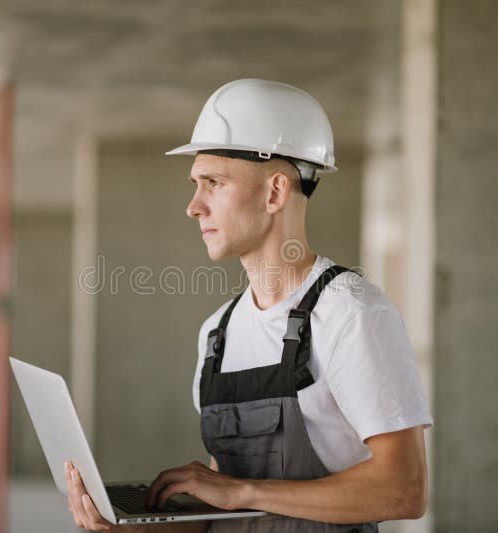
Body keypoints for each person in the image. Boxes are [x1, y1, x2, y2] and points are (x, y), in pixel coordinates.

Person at [65, 79, 433, 532]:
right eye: (195, 184)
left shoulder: (351, 314)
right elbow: (227, 512)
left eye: (213, 183)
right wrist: (130, 525)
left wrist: (243, 490)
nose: (193, 206)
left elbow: (404, 488)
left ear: (275, 193)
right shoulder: (217, 333)